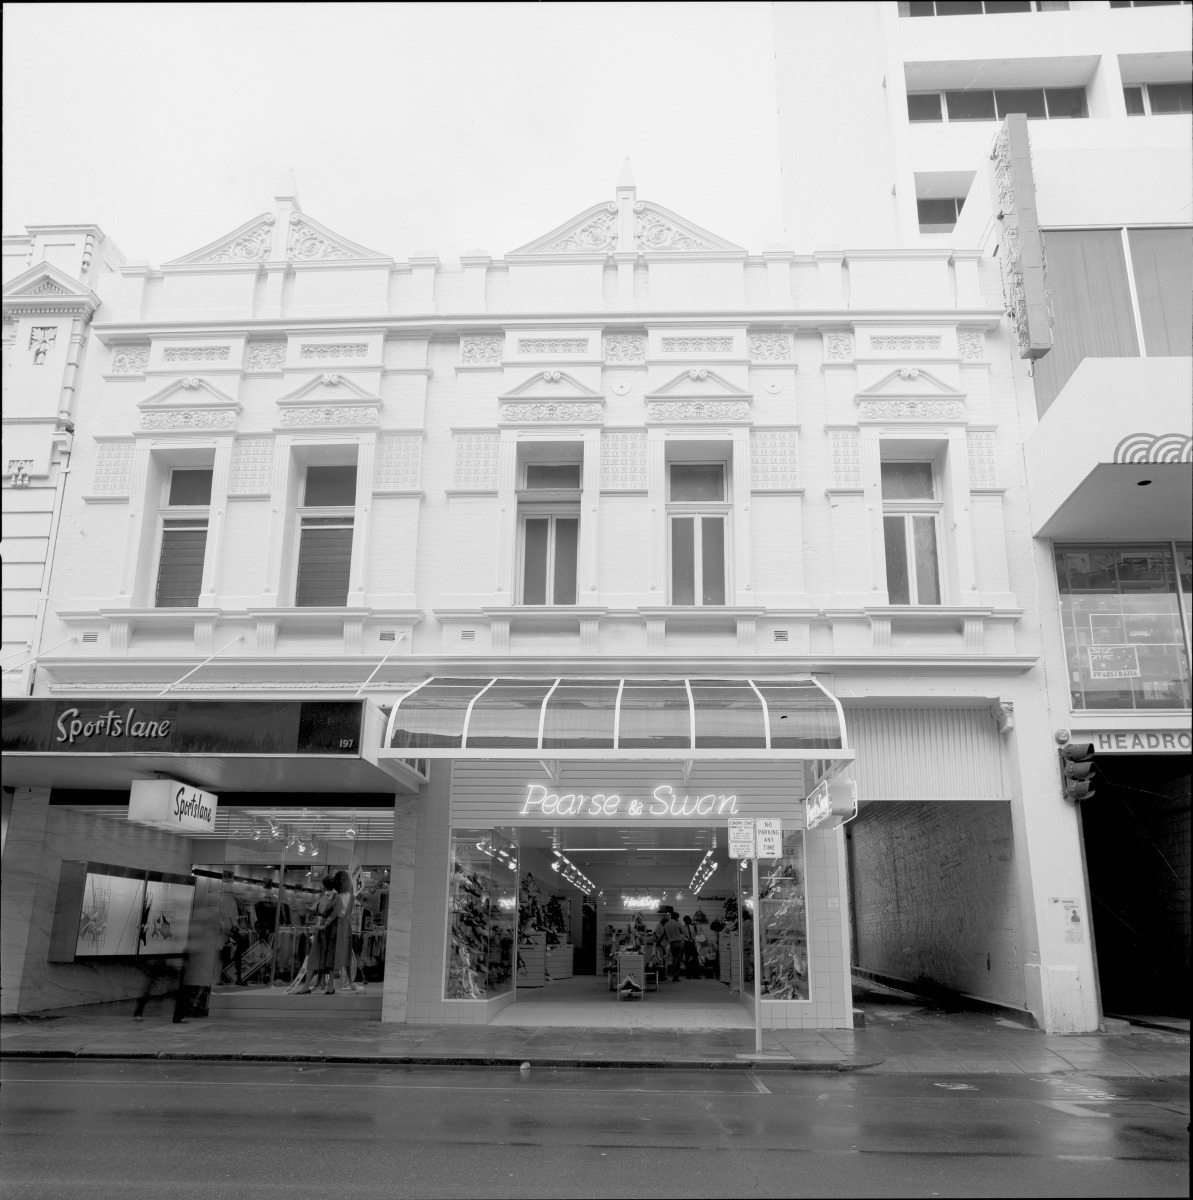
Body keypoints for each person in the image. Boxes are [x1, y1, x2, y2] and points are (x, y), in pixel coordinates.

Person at [663, 910, 686, 982]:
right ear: (676, 917)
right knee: (678, 960)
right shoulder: (678, 923)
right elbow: (683, 932)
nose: (678, 919)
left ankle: (674, 976)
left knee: (674, 959)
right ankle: (676, 976)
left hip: (671, 944)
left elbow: (664, 935)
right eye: (677, 917)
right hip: (679, 943)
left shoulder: (666, 924)